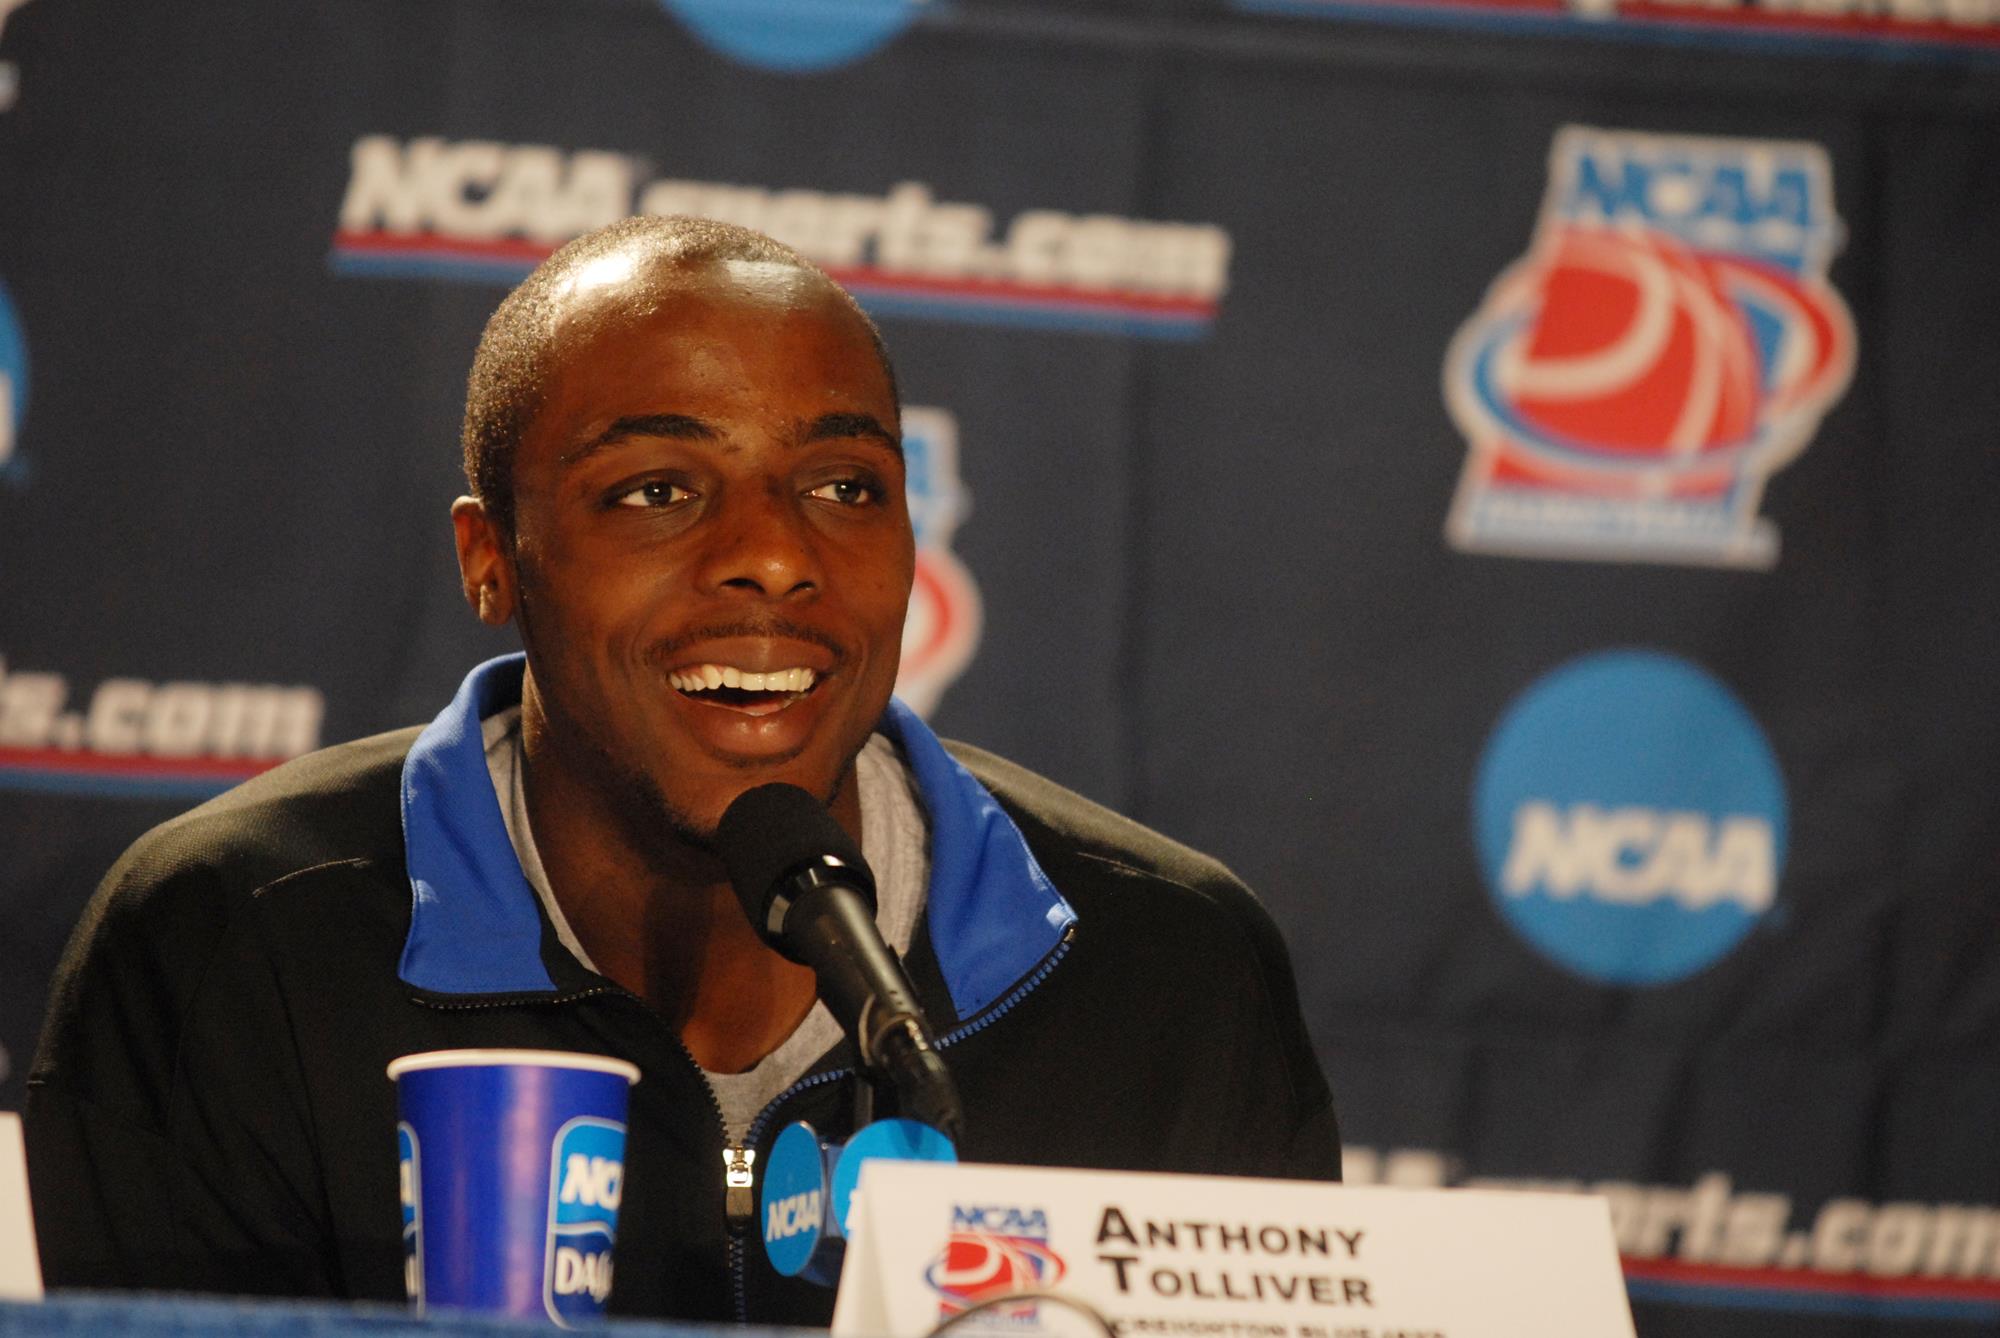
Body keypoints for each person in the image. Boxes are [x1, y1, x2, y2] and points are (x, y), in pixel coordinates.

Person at [23, 217, 1340, 1324]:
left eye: (843, 485)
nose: (774, 556)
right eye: (658, 489)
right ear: (491, 559)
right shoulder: (227, 944)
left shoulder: (1169, 971)